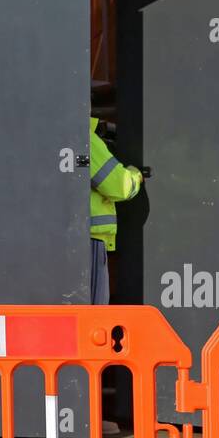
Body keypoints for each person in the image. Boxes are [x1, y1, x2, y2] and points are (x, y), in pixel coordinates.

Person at [89, 117, 143, 304]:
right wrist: (137, 175)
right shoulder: (84, 138)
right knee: (94, 314)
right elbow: (118, 186)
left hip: (73, 239)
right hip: (91, 241)